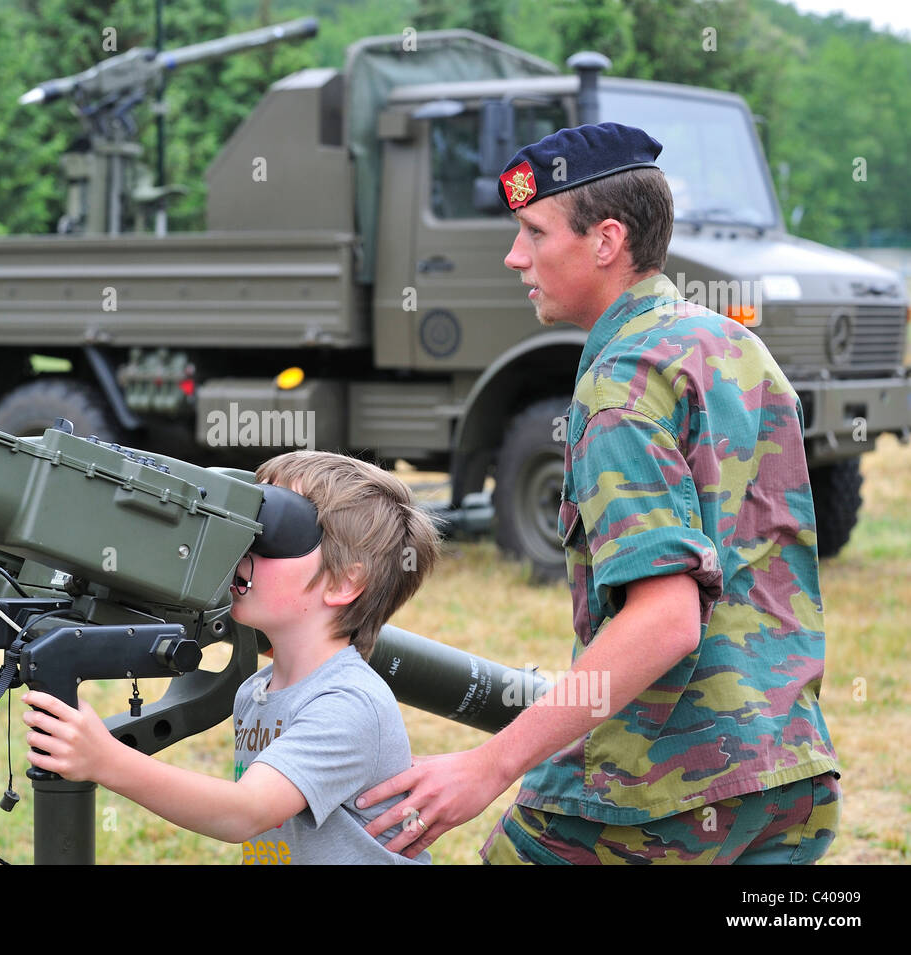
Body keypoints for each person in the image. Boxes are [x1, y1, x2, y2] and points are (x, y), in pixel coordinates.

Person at [356, 122, 841, 864]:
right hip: (786, 773)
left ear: (606, 240)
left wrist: (489, 765)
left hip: (658, 789)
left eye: (533, 232)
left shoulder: (619, 385)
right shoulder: (733, 346)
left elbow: (666, 620)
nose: (515, 256)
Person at [22, 450, 441, 863]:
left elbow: (247, 812)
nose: (243, 548)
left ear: (343, 582)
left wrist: (106, 761)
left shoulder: (347, 704)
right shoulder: (257, 691)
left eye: (276, 531)